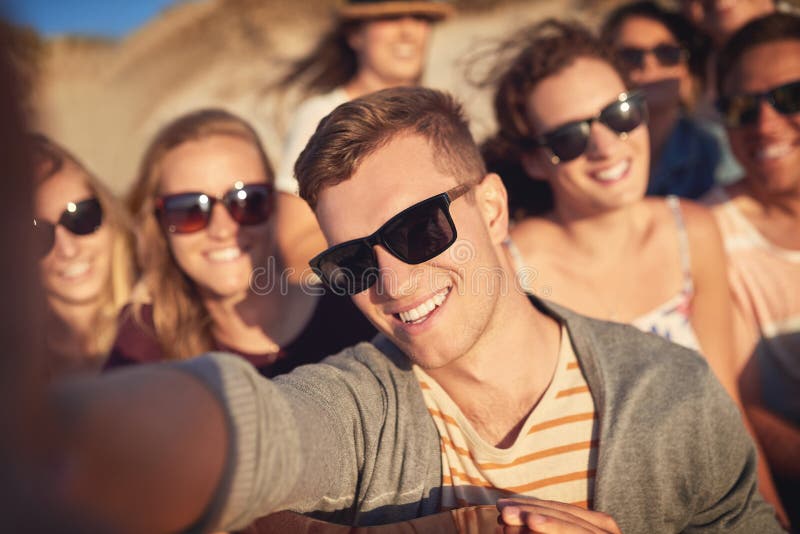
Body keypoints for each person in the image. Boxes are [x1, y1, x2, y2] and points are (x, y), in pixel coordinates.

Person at [49, 87, 780, 533]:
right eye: (356, 260)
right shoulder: (357, 406)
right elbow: (259, 433)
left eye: (417, 231)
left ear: (492, 207)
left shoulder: (673, 393)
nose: (394, 284)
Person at [481, 19, 786, 520]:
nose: (605, 146)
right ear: (535, 162)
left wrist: (774, 517)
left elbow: (725, 405)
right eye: (569, 137)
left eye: (620, 114)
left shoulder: (693, 230)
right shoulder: (511, 270)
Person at [107, 109, 374, 377]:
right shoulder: (142, 344)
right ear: (159, 224)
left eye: (248, 201)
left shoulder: (359, 311)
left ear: (274, 204)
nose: (223, 230)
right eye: (189, 210)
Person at [271, 0, 453, 282]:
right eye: (390, 17)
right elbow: (295, 257)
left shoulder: (437, 112)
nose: (409, 31)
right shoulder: (321, 116)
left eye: (419, 17)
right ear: (355, 35)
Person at [703, 11, 800, 527]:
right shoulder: (710, 236)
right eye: (742, 108)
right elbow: (740, 405)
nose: (764, 124)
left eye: (791, 98)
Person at [601, 1, 740, 197]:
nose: (649, 65)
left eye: (667, 53)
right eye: (630, 56)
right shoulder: (588, 148)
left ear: (689, 70)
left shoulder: (718, 150)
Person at [32, 134, 135, 377]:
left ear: (110, 214)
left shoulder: (171, 323)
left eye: (82, 217)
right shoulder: (14, 373)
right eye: (37, 234)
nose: (68, 249)